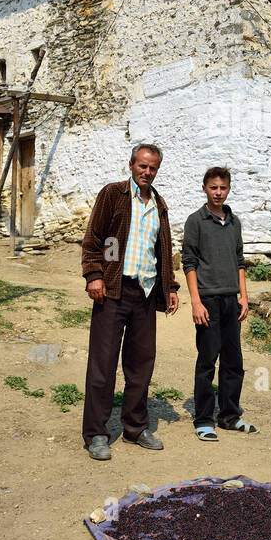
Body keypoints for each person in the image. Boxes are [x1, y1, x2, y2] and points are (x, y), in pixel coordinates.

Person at [79, 144, 180, 461]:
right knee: (103, 364)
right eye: (142, 166)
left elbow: (161, 250)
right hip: (114, 291)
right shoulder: (114, 195)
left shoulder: (159, 204)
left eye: (153, 168)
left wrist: (171, 286)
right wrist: (97, 275)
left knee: (141, 365)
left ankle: (136, 427)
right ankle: (96, 433)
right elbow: (101, 238)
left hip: (146, 293)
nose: (147, 172)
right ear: (131, 165)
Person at [183, 166, 257, 441]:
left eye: (223, 188)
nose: (218, 192)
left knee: (233, 361)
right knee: (207, 360)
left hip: (231, 301)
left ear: (229, 189)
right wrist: (196, 302)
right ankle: (203, 419)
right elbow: (188, 263)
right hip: (208, 300)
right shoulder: (196, 221)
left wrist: (243, 296)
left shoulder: (234, 221)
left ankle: (229, 415)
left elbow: (239, 261)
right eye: (213, 187)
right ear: (204, 188)